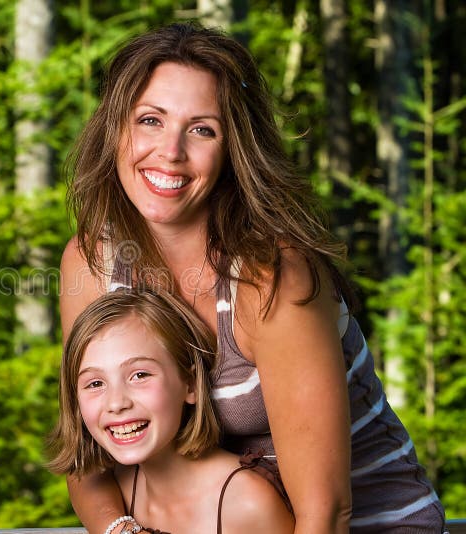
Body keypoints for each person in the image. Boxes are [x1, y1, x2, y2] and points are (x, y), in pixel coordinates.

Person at [58, 21, 445, 534]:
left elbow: (325, 514)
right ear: (115, 131)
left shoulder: (271, 275)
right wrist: (119, 530)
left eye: (202, 129)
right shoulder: (93, 263)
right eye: (150, 120)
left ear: (231, 150)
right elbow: (86, 451)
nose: (170, 151)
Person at [49, 287, 295, 533]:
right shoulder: (115, 487)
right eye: (95, 383)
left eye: (140, 375)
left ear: (190, 384)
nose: (116, 403)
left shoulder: (248, 503)